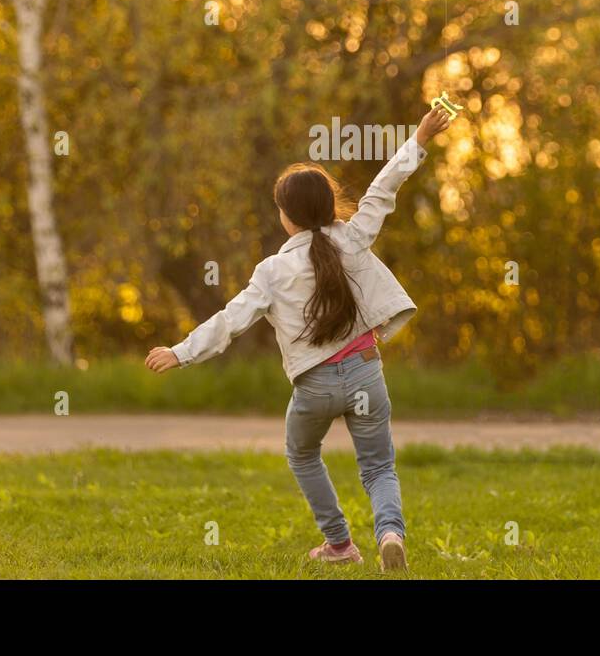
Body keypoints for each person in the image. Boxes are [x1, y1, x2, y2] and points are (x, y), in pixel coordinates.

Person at [145, 106, 453, 571]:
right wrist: (419, 139)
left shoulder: (272, 271)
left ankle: (340, 545)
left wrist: (181, 352)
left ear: (287, 217)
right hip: (366, 372)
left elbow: (231, 320)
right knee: (378, 467)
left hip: (315, 387)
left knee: (303, 453)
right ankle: (389, 532)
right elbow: (381, 191)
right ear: (330, 208)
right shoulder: (352, 238)